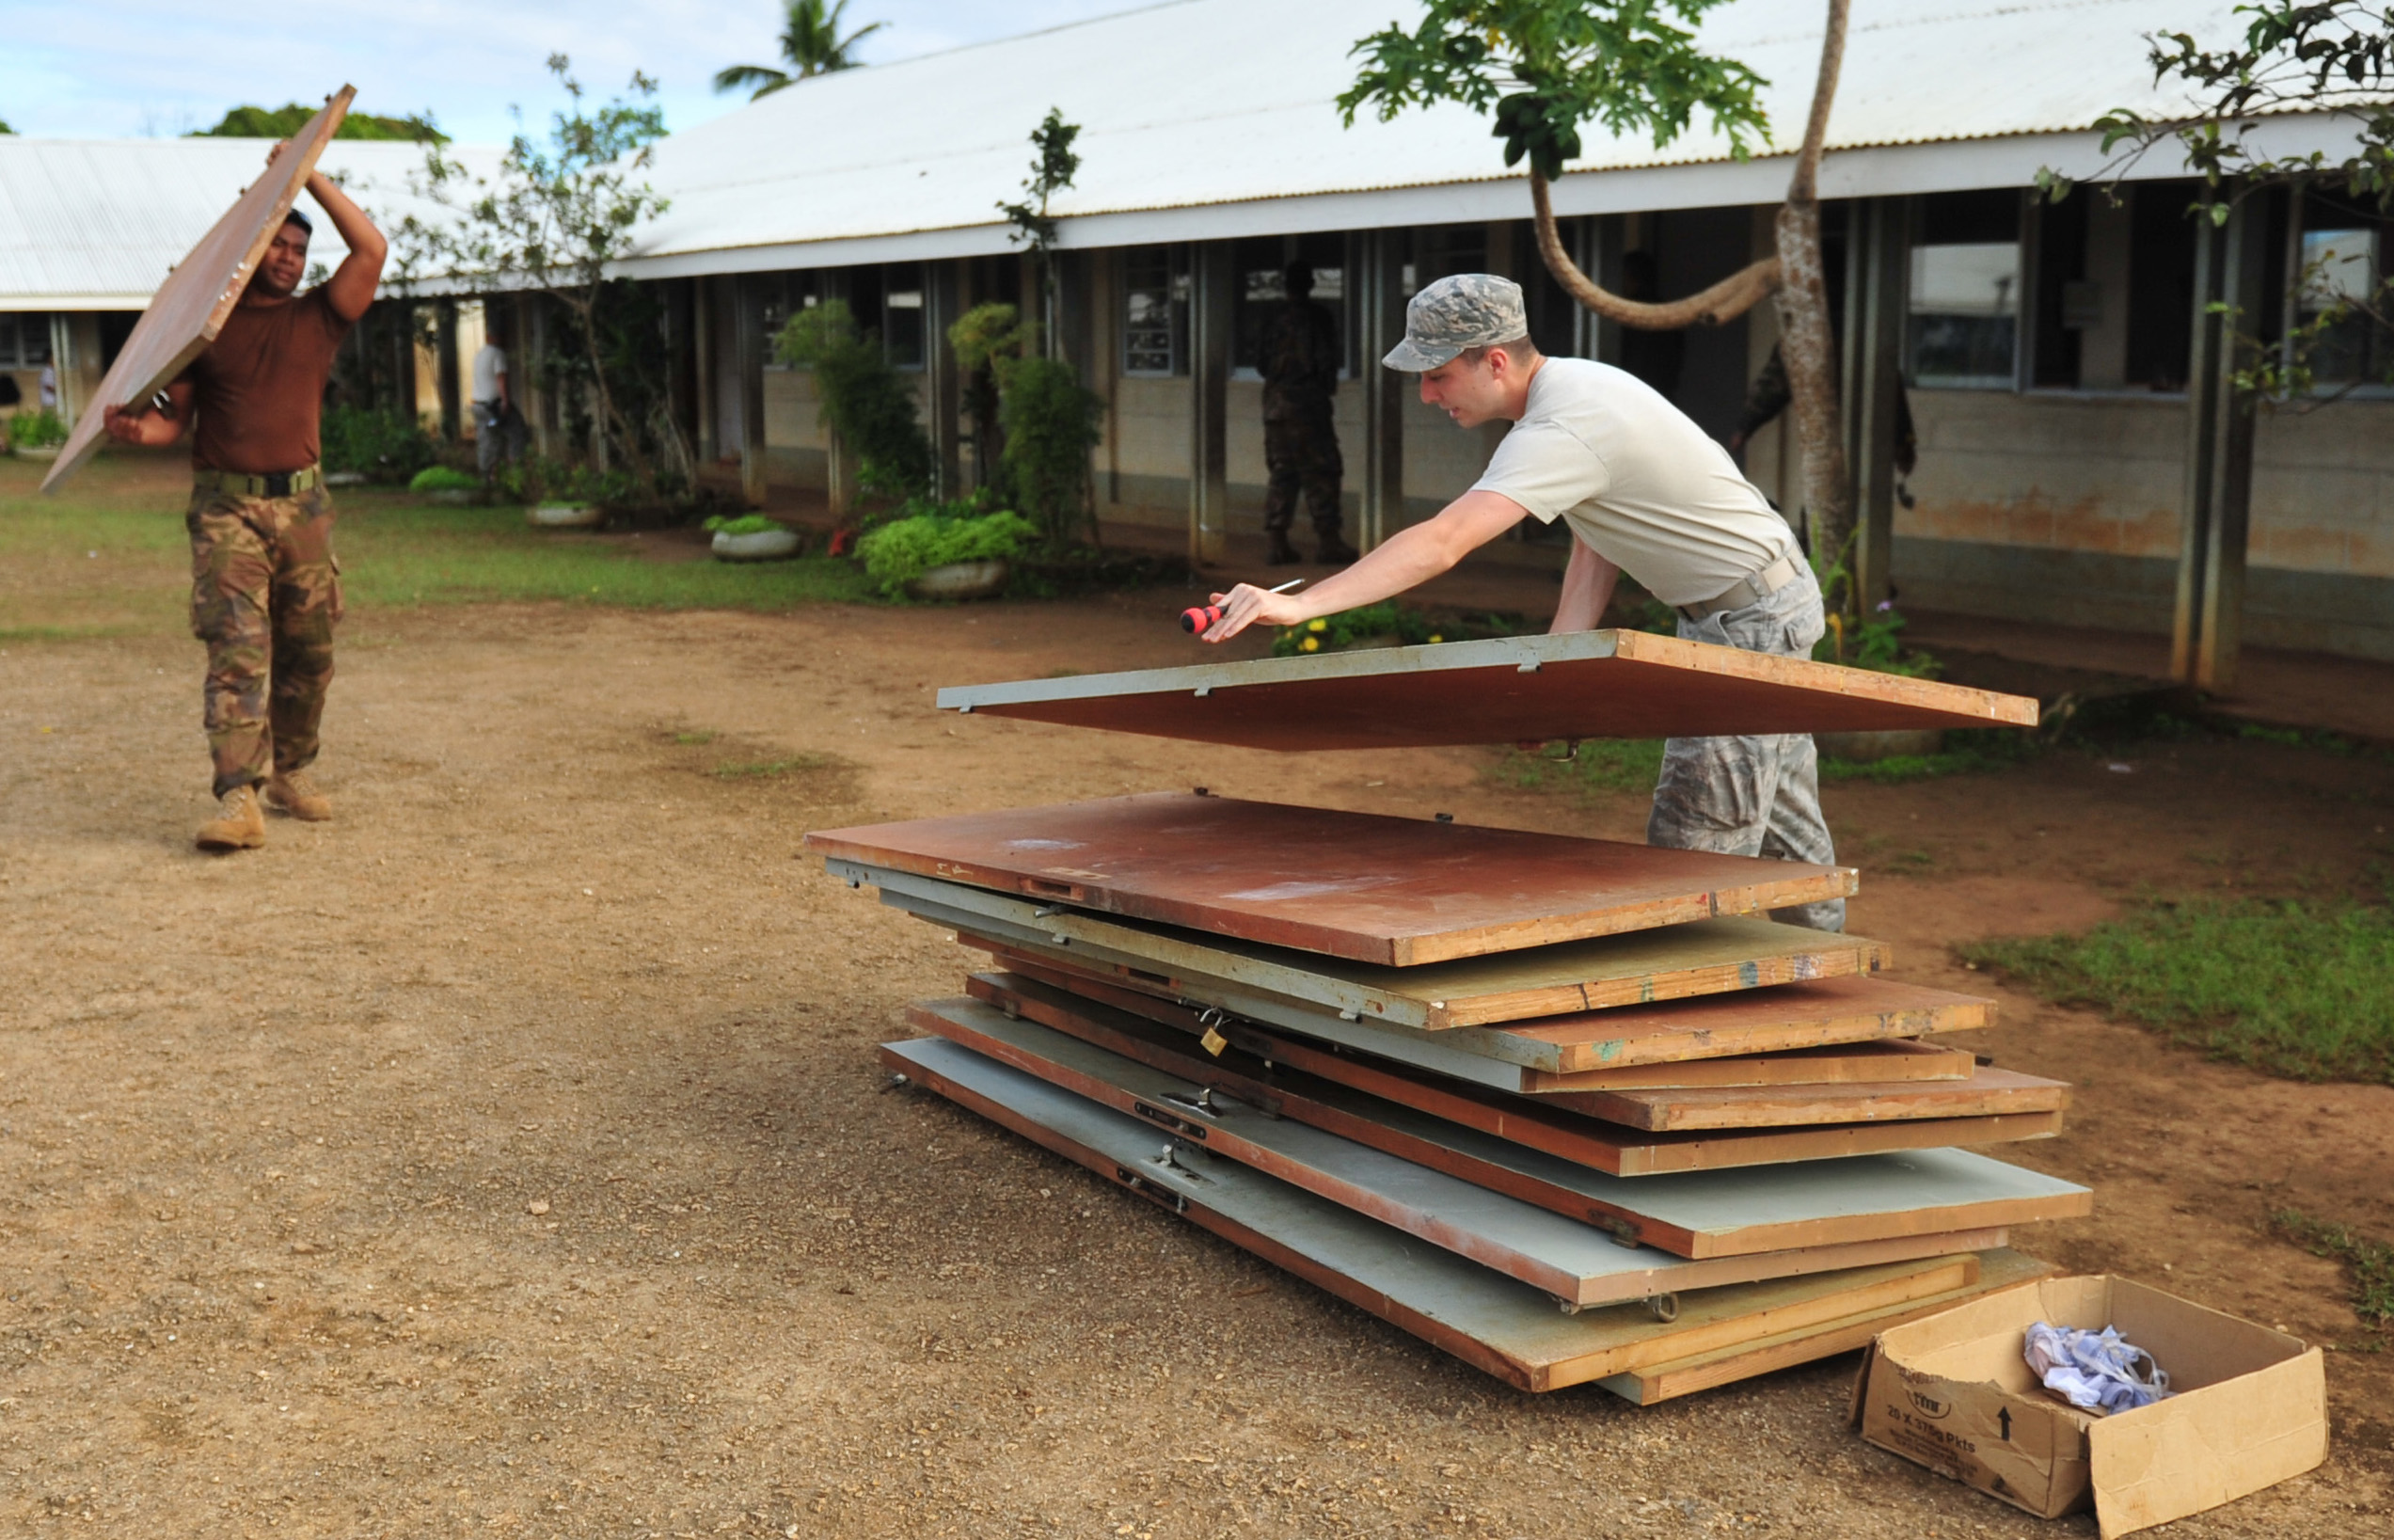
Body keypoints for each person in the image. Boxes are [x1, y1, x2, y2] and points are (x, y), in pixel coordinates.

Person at [1199, 274, 1843, 931]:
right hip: (1757, 606)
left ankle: (1694, 1011)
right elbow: (1598, 543)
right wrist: (1555, 679)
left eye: (1438, 375)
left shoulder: (1561, 425)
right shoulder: (1576, 387)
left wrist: (1302, 606)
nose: (1425, 394)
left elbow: (1445, 539)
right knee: (1785, 822)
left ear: (1495, 360)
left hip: (1749, 623)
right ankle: (1830, 978)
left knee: (1697, 840)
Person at [104, 145, 388, 852]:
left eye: (299, 249)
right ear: (257, 246)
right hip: (227, 509)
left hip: (305, 508)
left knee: (311, 653)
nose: (290, 258)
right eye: (279, 244)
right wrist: (137, 431)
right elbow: (174, 424)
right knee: (237, 651)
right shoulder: (205, 328)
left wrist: (306, 175)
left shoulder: (321, 316)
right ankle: (239, 796)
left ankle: (292, 770)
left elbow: (371, 246)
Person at [1259, 262, 1357, 566]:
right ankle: (1329, 541)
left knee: (1282, 472)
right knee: (1321, 471)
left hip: (1275, 405)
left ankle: (1277, 541)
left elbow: (1261, 362)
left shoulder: (1271, 318)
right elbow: (1327, 361)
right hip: (1308, 404)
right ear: (1310, 284)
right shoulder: (1318, 317)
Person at [469, 332, 523, 475]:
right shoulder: (498, 353)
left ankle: (486, 473)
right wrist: (506, 401)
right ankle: (515, 468)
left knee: (486, 439)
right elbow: (501, 378)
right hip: (492, 406)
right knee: (517, 431)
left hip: (477, 406)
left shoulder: (479, 355)